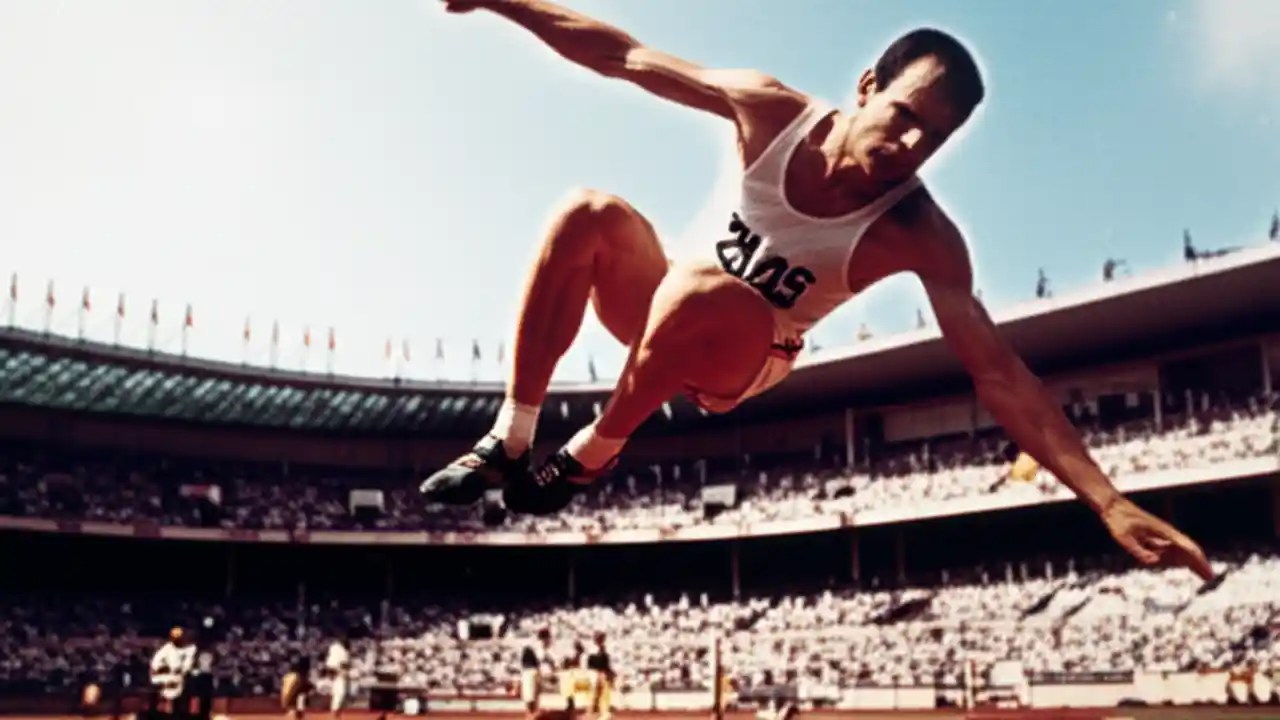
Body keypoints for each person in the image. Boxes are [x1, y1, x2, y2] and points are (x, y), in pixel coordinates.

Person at [419, 0, 1214, 581]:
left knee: (716, 294)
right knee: (588, 213)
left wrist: (1107, 501)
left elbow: (998, 372)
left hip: (742, 354)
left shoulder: (920, 234)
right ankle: (511, 440)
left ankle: (589, 455)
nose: (907, 145)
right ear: (868, 85)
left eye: (932, 139)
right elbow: (623, 56)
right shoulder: (769, 112)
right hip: (663, 317)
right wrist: (501, 2)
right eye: (904, 116)